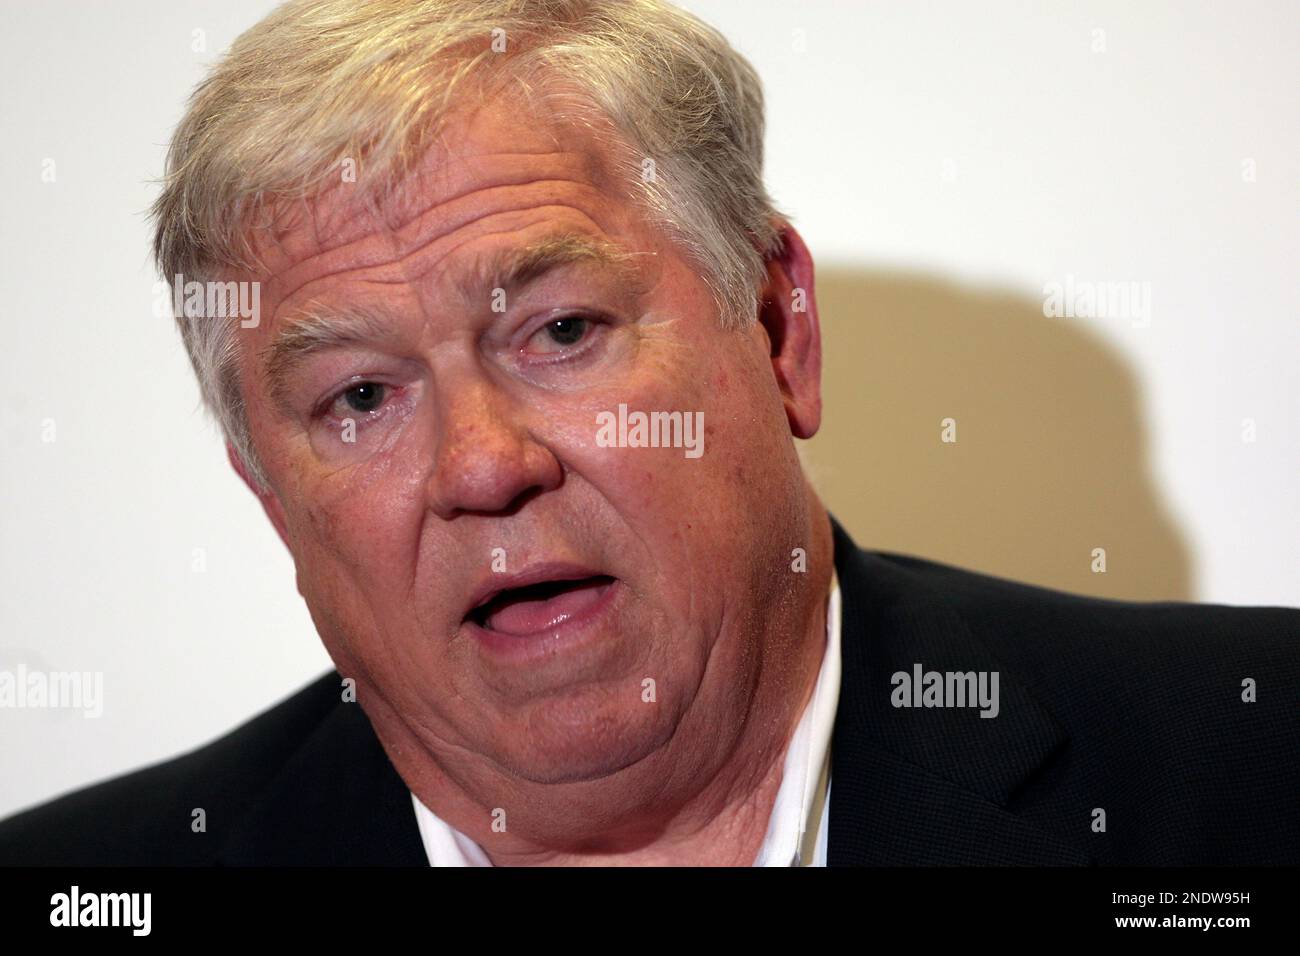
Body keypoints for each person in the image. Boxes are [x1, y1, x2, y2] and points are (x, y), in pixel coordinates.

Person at [1, 0, 1296, 866]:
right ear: (271, 500)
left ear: (779, 328)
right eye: (359, 397)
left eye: (560, 332)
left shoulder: (1257, 760)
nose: (483, 465)